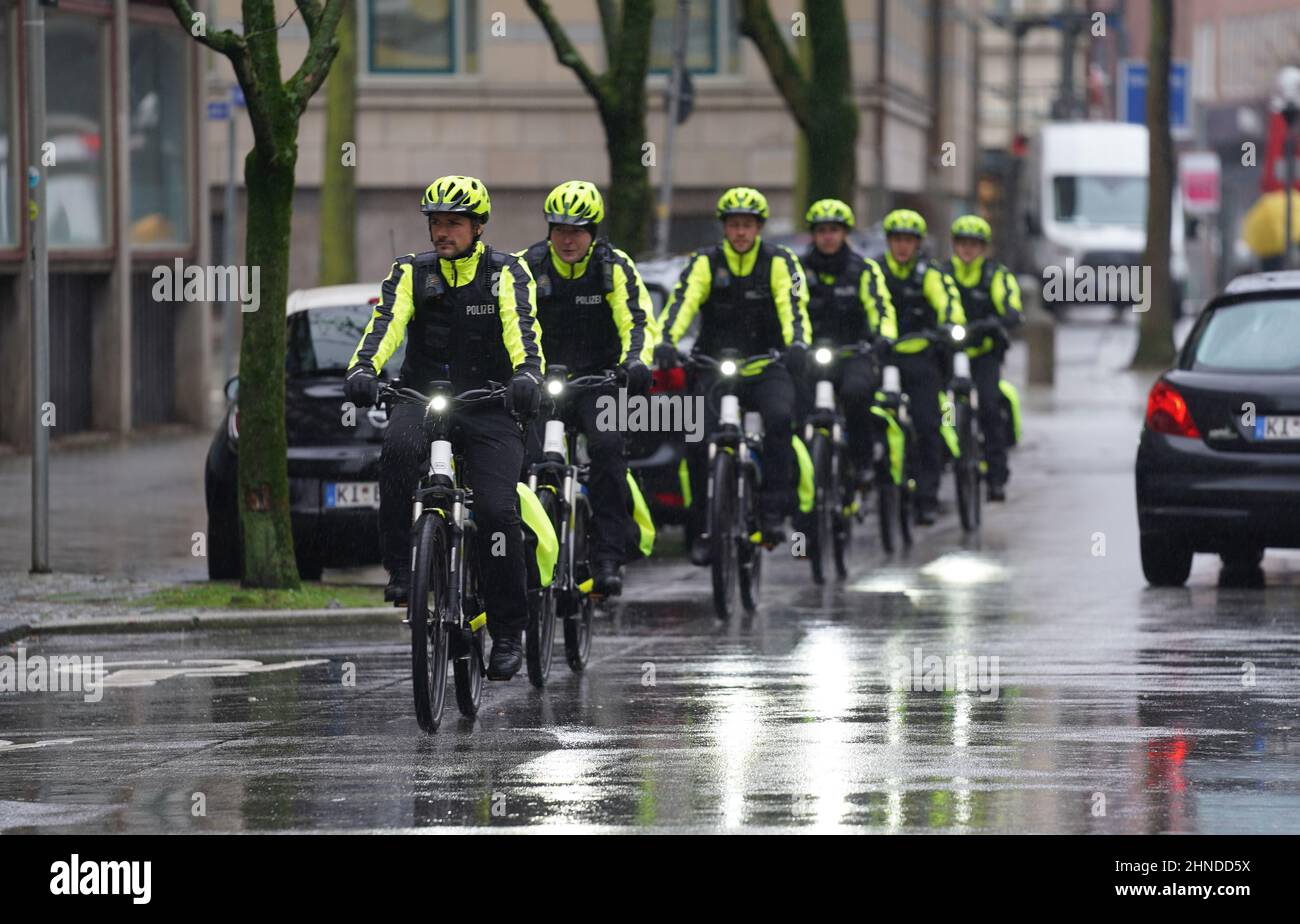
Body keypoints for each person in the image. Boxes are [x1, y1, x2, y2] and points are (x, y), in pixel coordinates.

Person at [343, 175, 543, 681]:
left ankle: (508, 630)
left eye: (454, 222)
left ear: (478, 226)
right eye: (436, 222)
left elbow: (521, 326)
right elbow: (386, 325)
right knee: (397, 450)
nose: (442, 232)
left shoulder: (505, 272)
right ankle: (401, 569)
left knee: (496, 510)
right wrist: (363, 368)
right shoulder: (411, 272)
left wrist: (526, 374)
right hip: (422, 397)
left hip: (491, 403)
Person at [656, 186, 811, 565]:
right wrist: (665, 340)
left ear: (759, 228)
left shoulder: (779, 261)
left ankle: (772, 511)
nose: (741, 232)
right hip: (713, 368)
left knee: (780, 420)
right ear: (724, 228)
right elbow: (682, 302)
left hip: (765, 366)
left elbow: (793, 305)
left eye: (748, 225)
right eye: (734, 225)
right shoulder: (705, 262)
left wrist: (797, 343)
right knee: (696, 440)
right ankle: (702, 528)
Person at [518, 180, 658, 596]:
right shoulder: (527, 266)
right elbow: (510, 321)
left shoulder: (613, 266)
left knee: (607, 448)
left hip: (600, 382)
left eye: (577, 231)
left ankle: (608, 556)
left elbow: (637, 320)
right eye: (560, 230)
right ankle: (517, 555)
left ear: (593, 232)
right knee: (519, 456)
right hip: (542, 383)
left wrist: (636, 361)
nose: (567, 239)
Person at [877, 208, 964, 526]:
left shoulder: (929, 273)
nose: (902, 246)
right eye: (897, 240)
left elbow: (947, 301)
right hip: (884, 359)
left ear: (918, 244)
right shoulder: (875, 272)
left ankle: (927, 498)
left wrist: (949, 323)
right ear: (889, 242)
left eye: (908, 240)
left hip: (921, 358)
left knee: (928, 425)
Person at [800, 198, 897, 477]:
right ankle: (800, 472)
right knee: (794, 405)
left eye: (834, 230)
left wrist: (884, 336)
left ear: (845, 233)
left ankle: (862, 460)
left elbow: (881, 308)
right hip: (810, 354)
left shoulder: (863, 270)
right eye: (822, 231)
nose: (828, 237)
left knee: (856, 394)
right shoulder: (798, 271)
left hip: (854, 354)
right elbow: (788, 307)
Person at [940, 214, 1022, 502]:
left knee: (989, 406)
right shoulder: (942, 274)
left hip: (984, 354)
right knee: (943, 406)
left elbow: (1011, 305)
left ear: (983, 248)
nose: (967, 249)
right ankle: (945, 455)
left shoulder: (996, 275)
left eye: (973, 244)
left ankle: (996, 476)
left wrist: (1003, 318)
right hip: (950, 354)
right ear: (954, 245)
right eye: (962, 243)